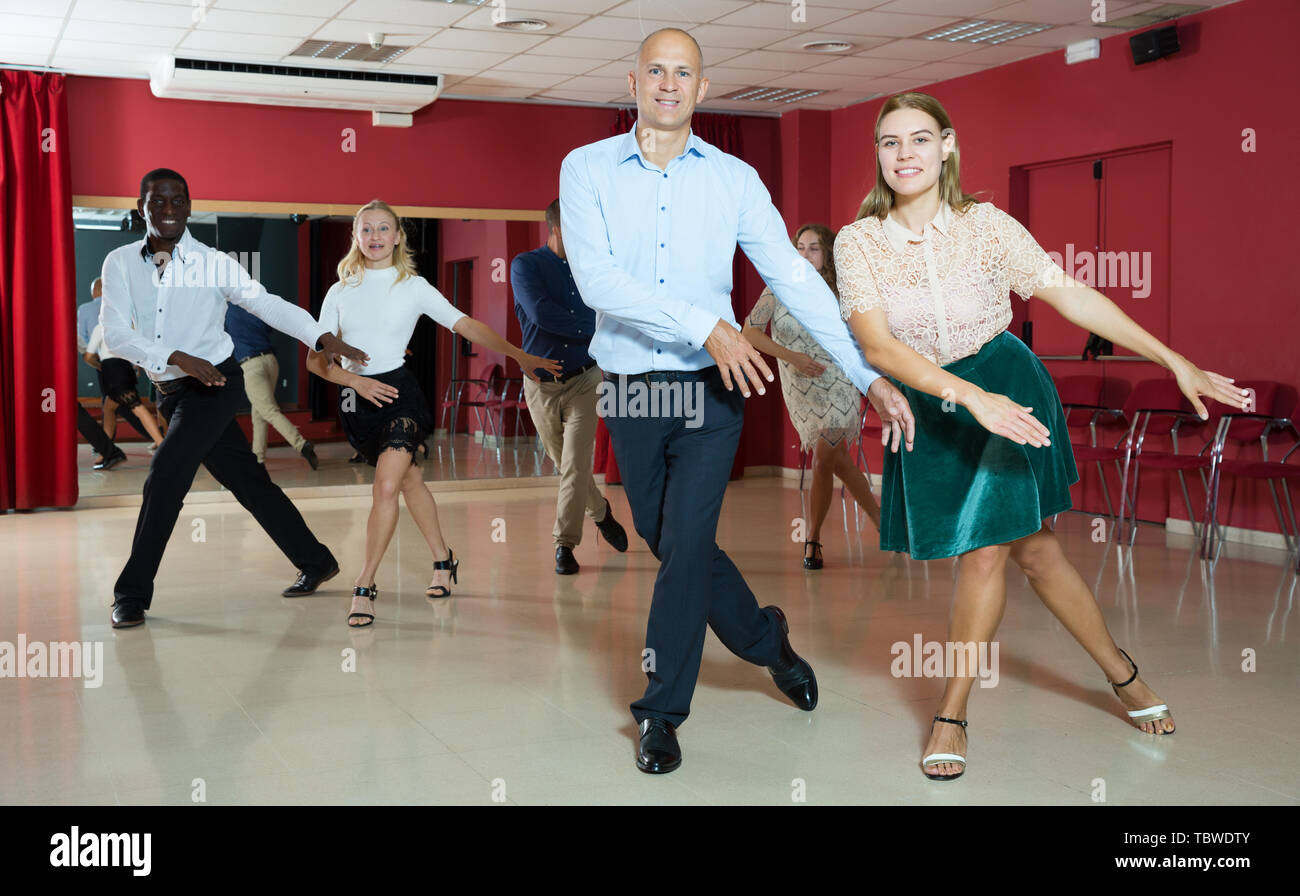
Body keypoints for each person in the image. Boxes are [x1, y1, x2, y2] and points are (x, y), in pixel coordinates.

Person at [834, 92, 1250, 780]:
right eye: (889, 142)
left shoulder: (989, 226)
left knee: (986, 554)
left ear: (948, 146)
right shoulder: (861, 242)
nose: (904, 154)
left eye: (918, 139)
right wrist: (969, 398)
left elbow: (1072, 294)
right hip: (941, 403)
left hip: (1010, 390)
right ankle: (1122, 672)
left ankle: (953, 712)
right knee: (1036, 553)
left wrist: (1171, 358)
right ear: (878, 155)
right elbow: (877, 347)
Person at [560, 27, 916, 774]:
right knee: (669, 540)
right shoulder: (586, 169)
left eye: (682, 72)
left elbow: (793, 277)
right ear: (632, 82)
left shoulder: (733, 178)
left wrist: (864, 372)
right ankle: (768, 640)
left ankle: (660, 712)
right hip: (632, 391)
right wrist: (706, 324)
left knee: (685, 547)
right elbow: (597, 283)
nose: (667, 83)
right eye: (654, 69)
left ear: (703, 89)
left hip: (713, 391)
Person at [100, 167, 367, 629]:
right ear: (140, 206)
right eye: (156, 201)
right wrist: (176, 357)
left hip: (215, 386)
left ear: (189, 206)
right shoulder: (120, 263)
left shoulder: (213, 262)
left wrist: (321, 336)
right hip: (170, 387)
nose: (167, 209)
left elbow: (266, 303)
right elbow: (118, 335)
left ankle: (131, 594)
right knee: (248, 482)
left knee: (165, 474)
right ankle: (317, 560)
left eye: (177, 200)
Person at [307, 199, 560, 627]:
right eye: (366, 229)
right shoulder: (340, 290)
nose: (374, 237)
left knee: (386, 487)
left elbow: (466, 325)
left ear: (399, 235)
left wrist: (518, 354)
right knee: (408, 480)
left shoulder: (414, 287)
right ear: (356, 236)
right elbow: (317, 362)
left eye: (383, 228)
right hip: (357, 399)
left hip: (399, 396)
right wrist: (355, 382)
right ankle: (444, 559)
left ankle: (365, 584)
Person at [742, 223, 882, 569]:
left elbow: (864, 335)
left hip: (837, 383)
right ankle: (885, 522)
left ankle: (812, 540)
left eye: (814, 248)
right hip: (800, 386)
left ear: (827, 254)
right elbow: (750, 333)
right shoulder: (776, 289)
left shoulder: (841, 290)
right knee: (839, 463)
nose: (805, 254)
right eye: (800, 247)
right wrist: (792, 358)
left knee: (823, 459)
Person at [512, 199, 629, 575]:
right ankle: (600, 510)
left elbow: (609, 311)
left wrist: (597, 322)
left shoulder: (593, 269)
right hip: (540, 385)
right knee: (566, 466)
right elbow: (540, 314)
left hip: (586, 378)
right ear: (558, 230)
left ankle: (564, 544)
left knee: (576, 463)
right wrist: (593, 325)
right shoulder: (525, 266)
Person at [224, 302, 319, 468]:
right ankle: (258, 459)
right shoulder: (255, 306)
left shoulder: (226, 310)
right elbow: (269, 327)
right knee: (259, 412)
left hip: (250, 365)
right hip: (270, 361)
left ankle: (301, 445)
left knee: (268, 411)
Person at [75, 278, 126, 470]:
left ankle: (110, 451)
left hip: (105, 365)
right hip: (120, 366)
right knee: (115, 407)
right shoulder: (118, 311)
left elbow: (85, 349)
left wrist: (97, 364)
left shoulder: (87, 311)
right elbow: (83, 347)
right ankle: (109, 451)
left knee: (120, 407)